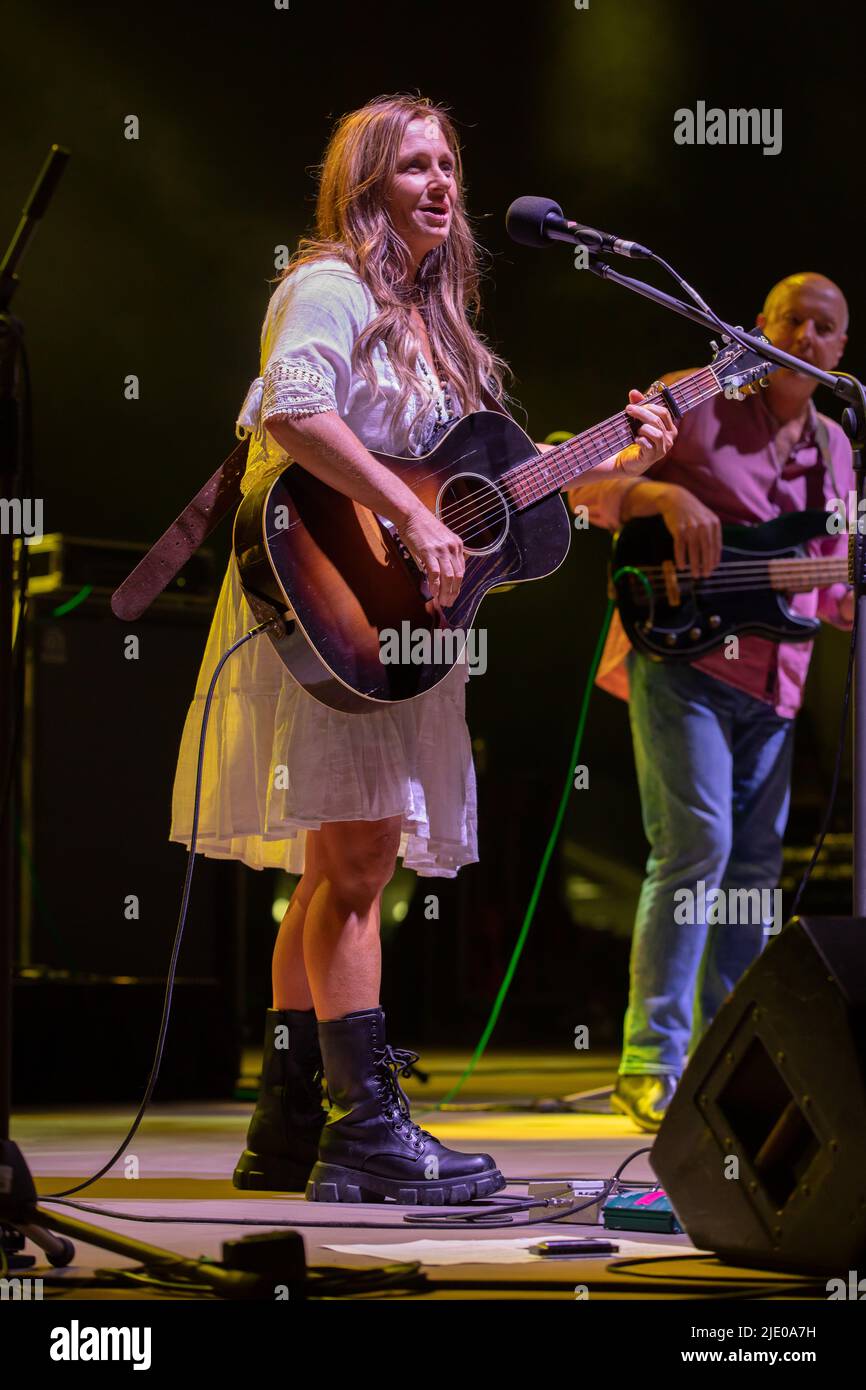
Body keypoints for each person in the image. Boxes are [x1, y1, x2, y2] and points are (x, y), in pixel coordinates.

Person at [169, 93, 677, 1202]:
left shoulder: (444, 333)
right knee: (354, 872)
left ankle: (290, 1123)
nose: (440, 182)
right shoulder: (328, 286)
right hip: (334, 596)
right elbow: (294, 412)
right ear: (363, 185)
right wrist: (406, 518)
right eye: (412, 166)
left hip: (402, 621)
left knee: (327, 875)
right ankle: (367, 1132)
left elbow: (502, 493)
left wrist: (617, 455)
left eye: (448, 163)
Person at [568, 272, 853, 1132]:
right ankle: (649, 1066)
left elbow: (835, 579)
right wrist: (661, 491)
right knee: (698, 846)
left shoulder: (839, 447)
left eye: (825, 327)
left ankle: (730, 1068)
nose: (805, 335)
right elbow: (584, 484)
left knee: (755, 876)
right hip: (680, 657)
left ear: (843, 349)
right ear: (756, 330)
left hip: (779, 678)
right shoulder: (694, 400)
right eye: (790, 320)